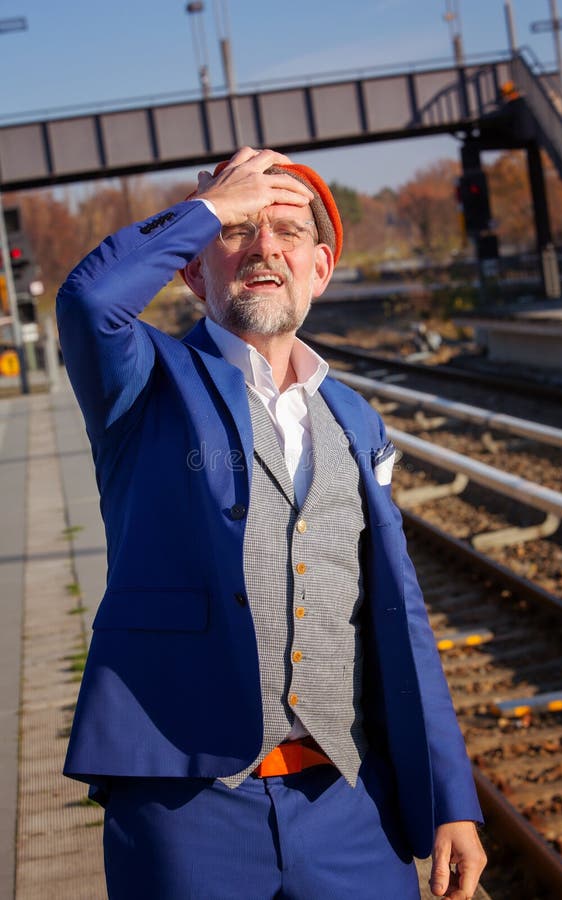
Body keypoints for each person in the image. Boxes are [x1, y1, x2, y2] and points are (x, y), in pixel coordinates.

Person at [57, 146, 487, 900]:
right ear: (191, 270)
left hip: (348, 804)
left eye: (288, 231)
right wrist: (210, 206)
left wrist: (453, 797)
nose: (264, 248)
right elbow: (91, 302)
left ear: (319, 269)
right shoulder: (141, 386)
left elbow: (398, 615)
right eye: (238, 232)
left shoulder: (354, 417)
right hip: (184, 803)